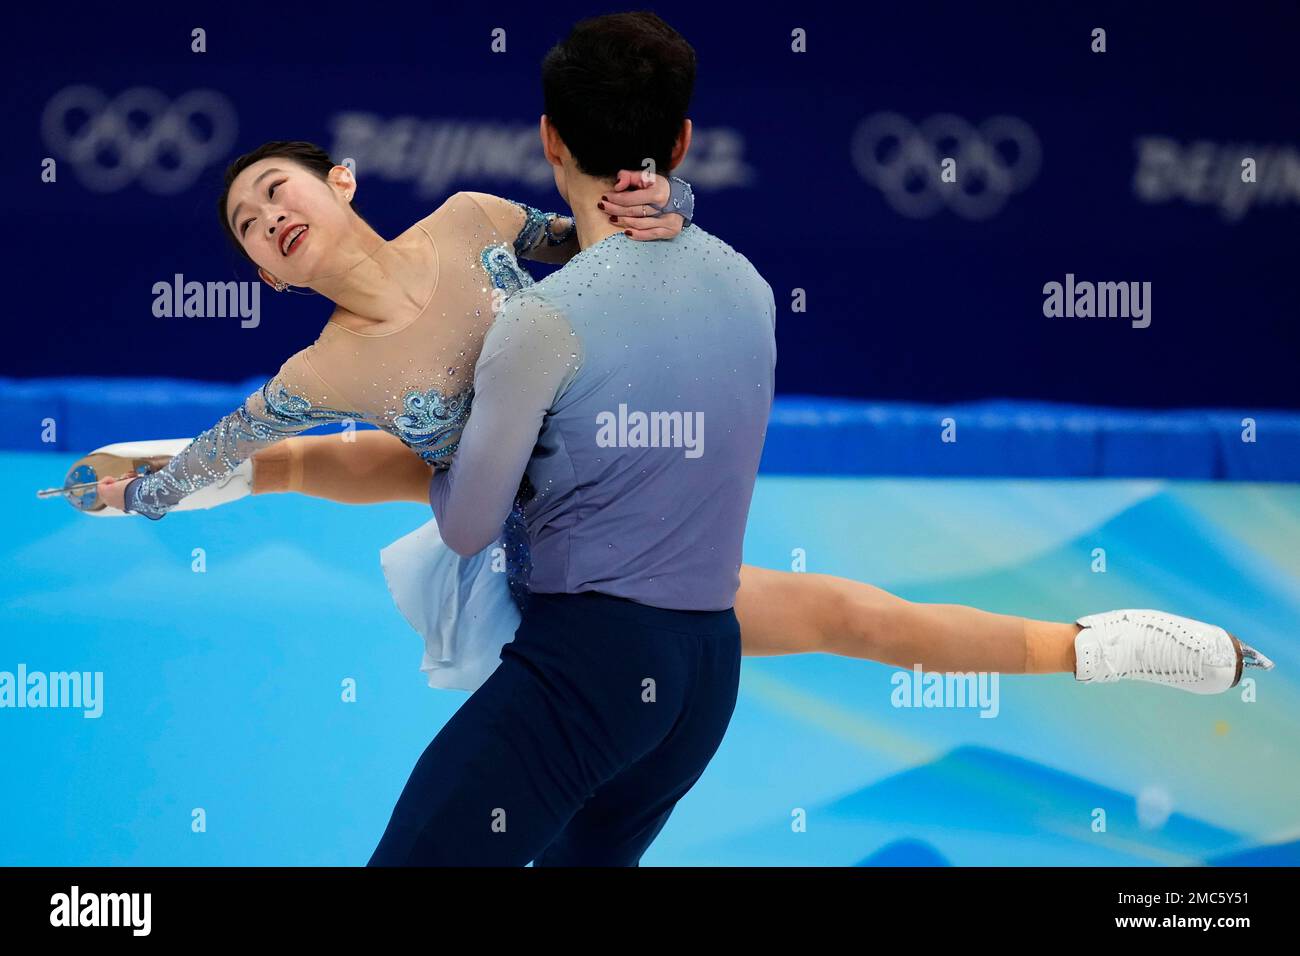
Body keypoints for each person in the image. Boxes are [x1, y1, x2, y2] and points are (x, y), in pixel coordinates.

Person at [79, 12, 1273, 866]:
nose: (269, 218)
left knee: (862, 619)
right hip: (557, 559)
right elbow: (274, 437)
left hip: (597, 540)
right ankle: (1095, 643)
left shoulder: (477, 220)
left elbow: (604, 234)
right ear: (256, 272)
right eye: (246, 227)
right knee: (374, 459)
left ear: (339, 179)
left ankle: (1113, 643)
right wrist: (162, 492)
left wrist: (677, 205)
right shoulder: (318, 366)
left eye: (278, 191)